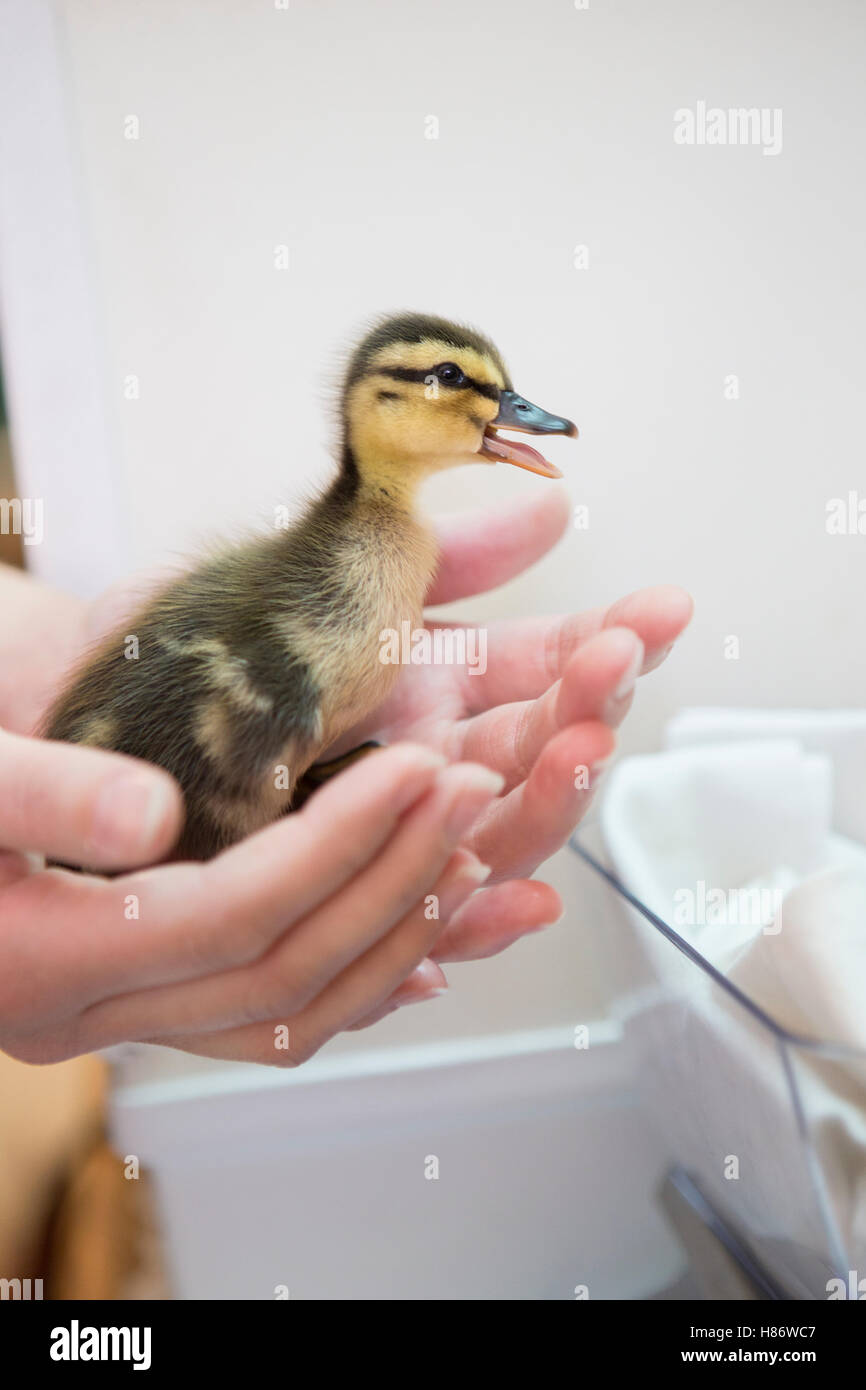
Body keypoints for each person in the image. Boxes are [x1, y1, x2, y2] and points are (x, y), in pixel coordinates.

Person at [0, 490, 691, 1067]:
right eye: (451, 383)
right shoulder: (330, 586)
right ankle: (265, 818)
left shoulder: (336, 570)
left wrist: (36, 646)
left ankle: (285, 806)